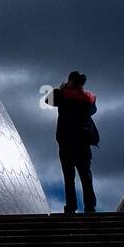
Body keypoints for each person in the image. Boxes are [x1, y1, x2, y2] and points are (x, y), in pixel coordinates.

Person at [51, 71, 98, 214]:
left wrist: (62, 88)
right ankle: (90, 207)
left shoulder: (63, 96)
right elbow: (94, 110)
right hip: (83, 144)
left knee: (69, 177)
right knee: (86, 176)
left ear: (70, 81)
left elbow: (48, 100)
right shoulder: (89, 99)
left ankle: (71, 207)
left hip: (66, 143)